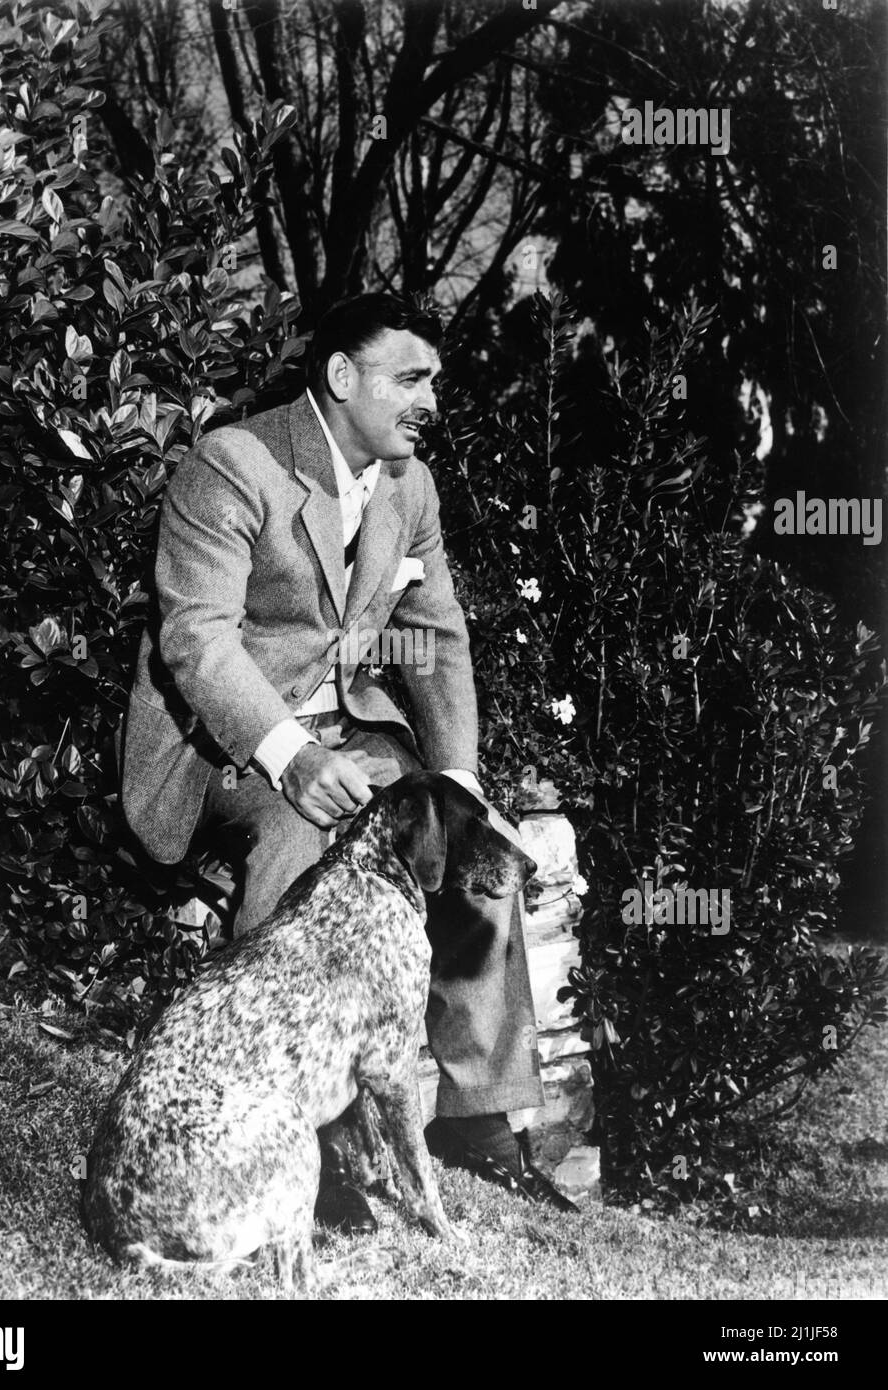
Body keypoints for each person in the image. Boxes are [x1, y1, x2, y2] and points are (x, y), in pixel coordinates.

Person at [122, 292, 565, 1232]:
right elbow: (196, 641)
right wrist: (287, 757)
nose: (430, 401)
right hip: (226, 746)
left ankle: (480, 1121)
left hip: (356, 732)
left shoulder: (410, 486)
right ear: (339, 377)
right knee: (303, 833)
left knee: (480, 854)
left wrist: (462, 785)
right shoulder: (232, 465)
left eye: (434, 382)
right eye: (410, 379)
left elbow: (436, 640)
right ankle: (306, 1144)